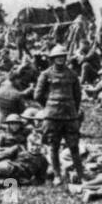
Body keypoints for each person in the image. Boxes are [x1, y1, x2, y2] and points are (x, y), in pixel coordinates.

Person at [33, 43, 84, 181]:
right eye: (57, 57)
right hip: (53, 116)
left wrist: (73, 109)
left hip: (70, 116)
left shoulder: (73, 74)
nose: (60, 59)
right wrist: (49, 106)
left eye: (62, 57)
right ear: (52, 59)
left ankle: (80, 174)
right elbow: (37, 95)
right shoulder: (45, 74)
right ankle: (57, 175)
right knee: (53, 145)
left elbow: (77, 95)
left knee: (74, 146)